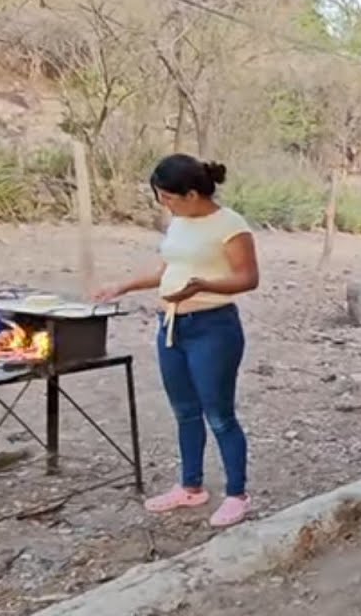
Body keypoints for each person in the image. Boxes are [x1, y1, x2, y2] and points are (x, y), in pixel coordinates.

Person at [94, 154, 260, 527]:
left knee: (219, 414)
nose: (163, 204)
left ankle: (238, 494)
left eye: (167, 197)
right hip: (171, 326)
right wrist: (123, 285)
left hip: (213, 328)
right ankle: (190, 486)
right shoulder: (180, 224)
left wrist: (203, 286)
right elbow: (168, 270)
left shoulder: (230, 225)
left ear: (191, 193)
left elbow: (248, 278)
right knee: (185, 411)